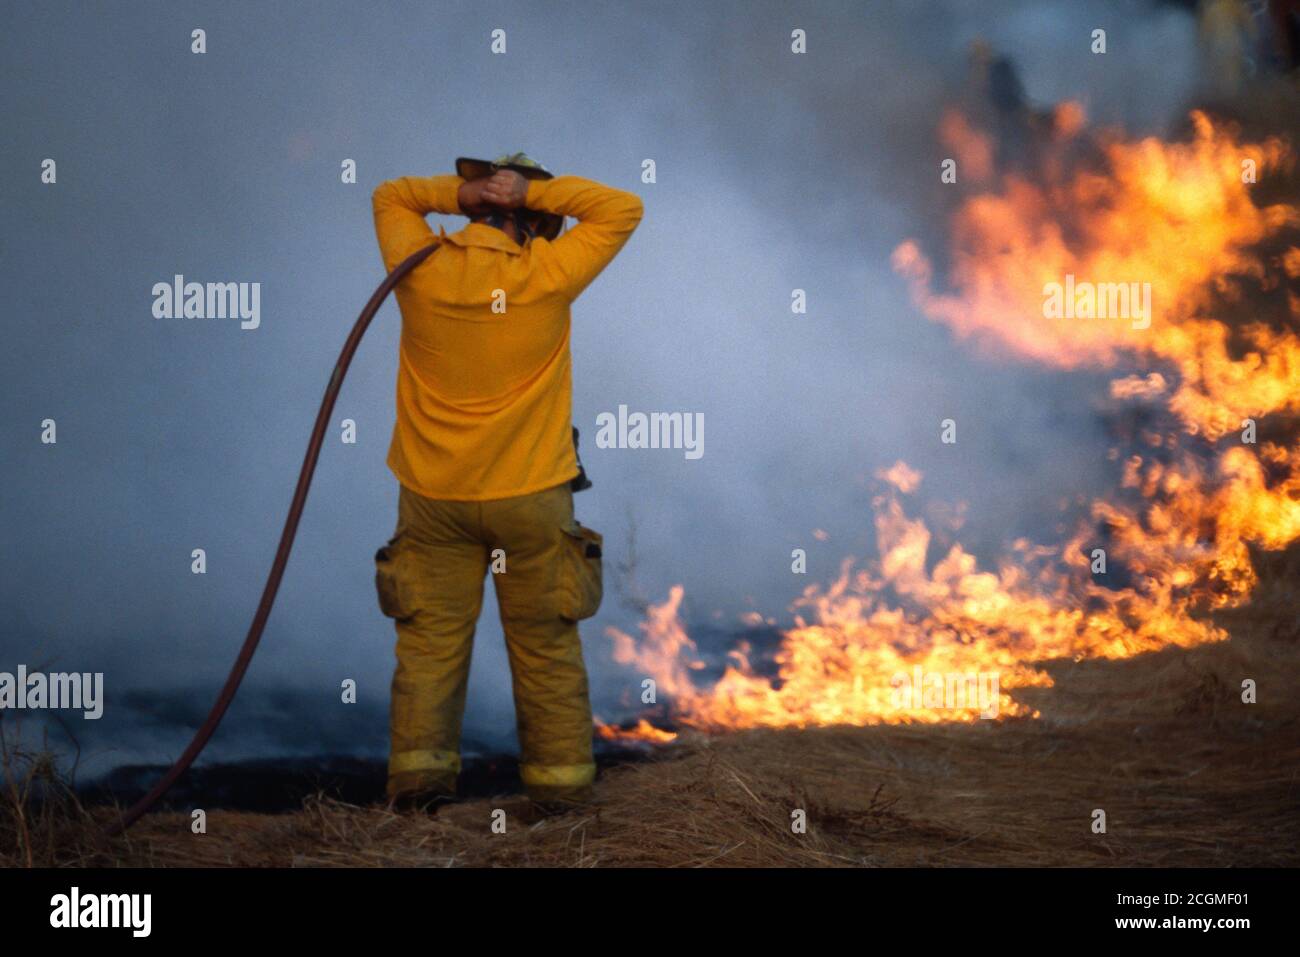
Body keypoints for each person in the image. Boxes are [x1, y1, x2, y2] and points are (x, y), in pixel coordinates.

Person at [370, 153, 643, 810]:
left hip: (435, 500)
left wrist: (459, 191)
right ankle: (561, 803)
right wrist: (537, 191)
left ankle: (417, 800)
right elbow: (622, 208)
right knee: (545, 645)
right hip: (530, 500)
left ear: (476, 209)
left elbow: (390, 195)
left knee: (430, 645)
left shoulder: (422, 268)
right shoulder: (548, 275)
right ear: (538, 223)